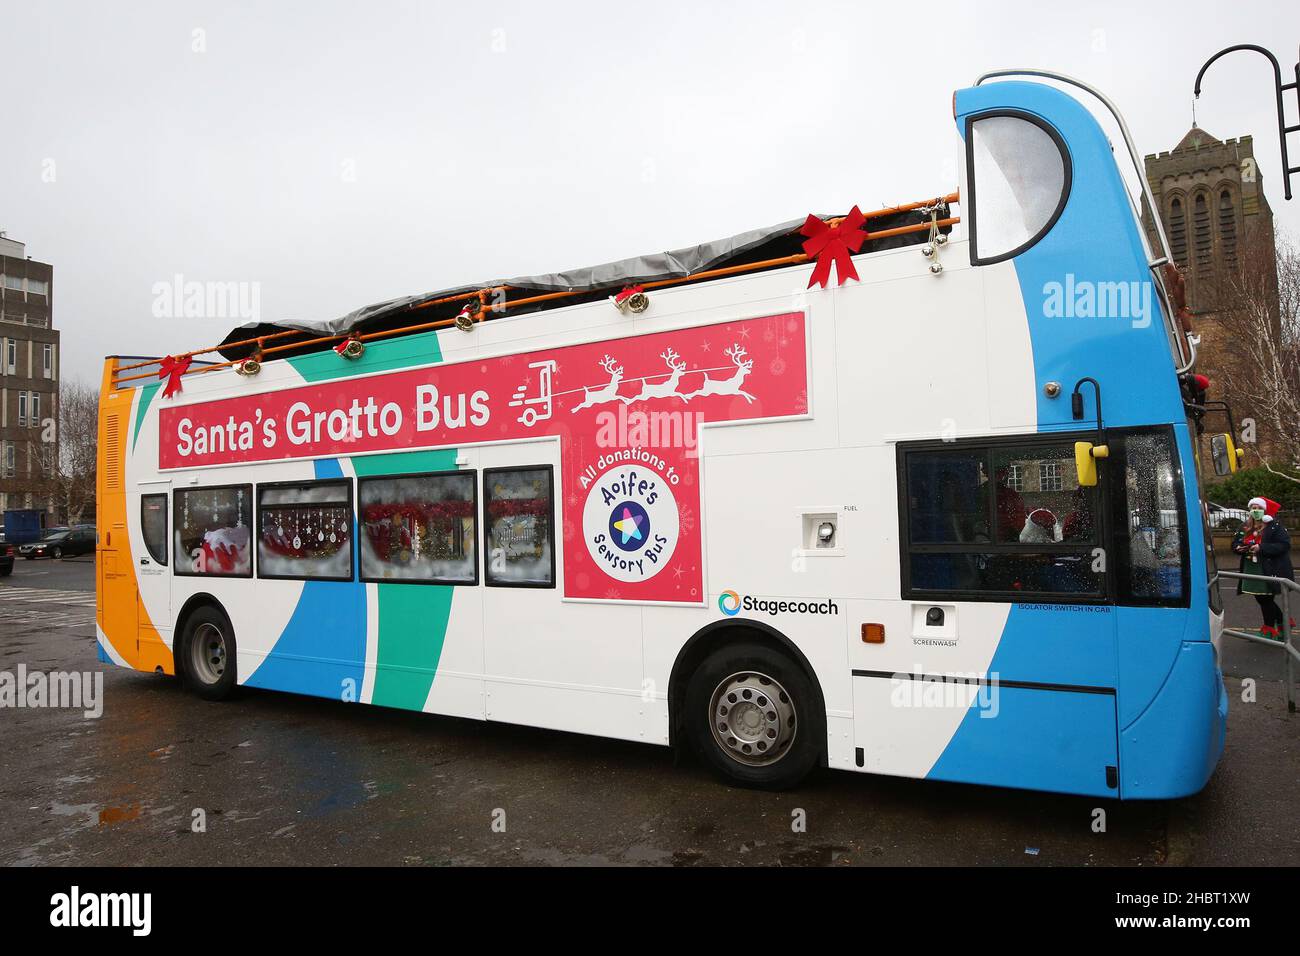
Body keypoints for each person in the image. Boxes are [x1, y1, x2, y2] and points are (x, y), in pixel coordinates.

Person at [1234, 497, 1295, 639]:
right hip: (1251, 568)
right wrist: (1238, 548)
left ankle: (1269, 629)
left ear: (1265, 510)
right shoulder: (1245, 526)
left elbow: (1284, 545)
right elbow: (1235, 543)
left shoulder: (1274, 526)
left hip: (1268, 568)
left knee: (1265, 599)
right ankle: (1283, 623)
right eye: (1253, 508)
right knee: (1262, 599)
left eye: (1259, 508)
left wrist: (1261, 547)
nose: (1256, 511)